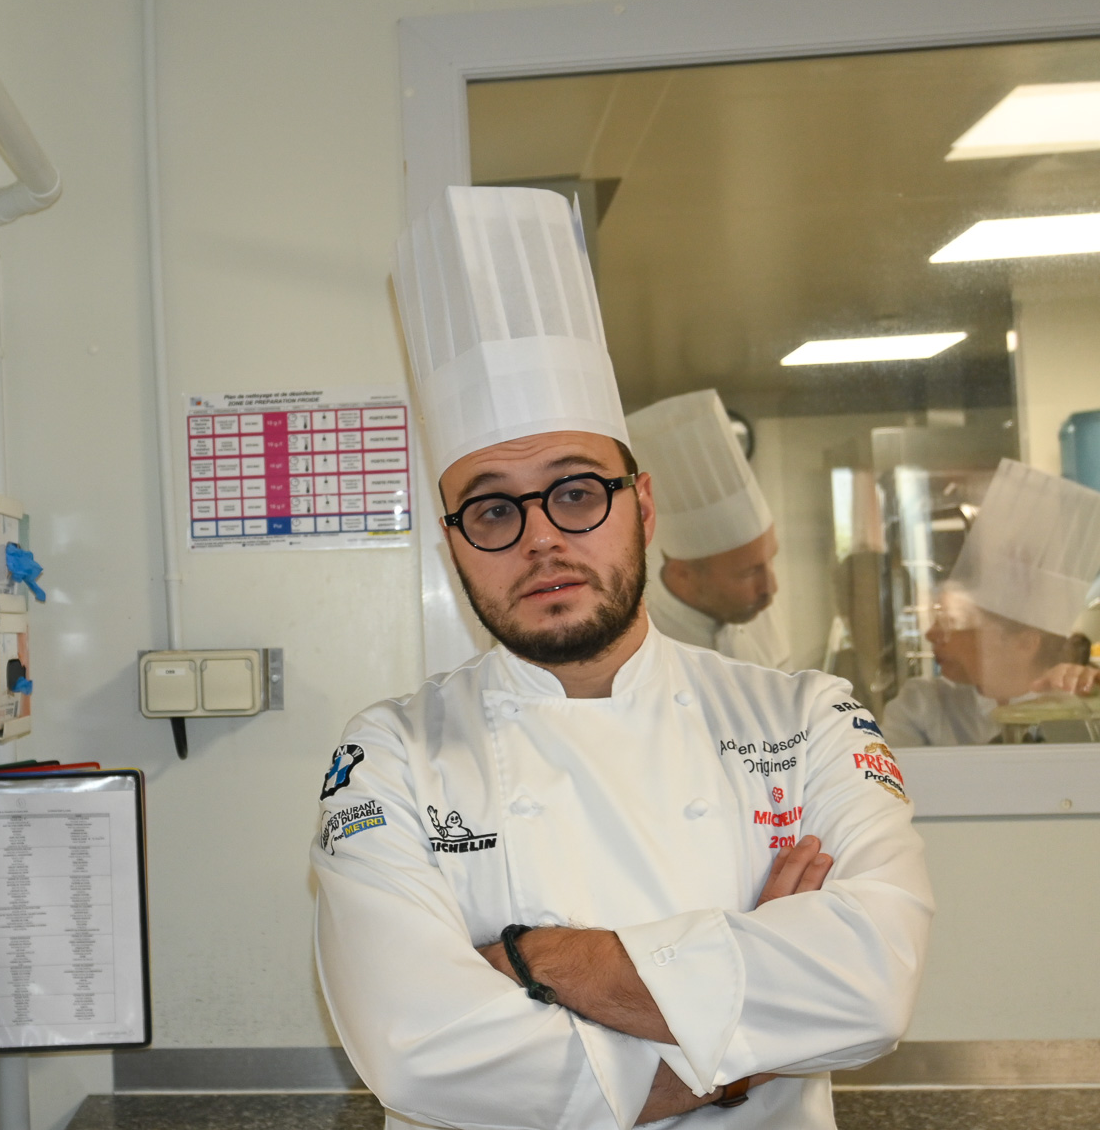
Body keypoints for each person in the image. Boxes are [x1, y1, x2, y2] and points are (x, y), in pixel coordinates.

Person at [319, 185, 932, 1129]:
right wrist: (734, 1041)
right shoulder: (391, 754)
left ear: (643, 507)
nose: (541, 541)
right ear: (453, 543)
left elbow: (869, 981)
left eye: (576, 491)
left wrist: (542, 958)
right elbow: (418, 1048)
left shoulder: (806, 717)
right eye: (492, 508)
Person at [885, 458, 1100, 746]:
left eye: (952, 623)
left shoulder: (1082, 697)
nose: (931, 635)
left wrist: (1070, 705)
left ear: (1025, 643)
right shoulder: (923, 706)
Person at [627, 389, 791, 669]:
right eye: (749, 572)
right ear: (683, 573)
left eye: (769, 560)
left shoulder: (755, 609)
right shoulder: (639, 647)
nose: (771, 588)